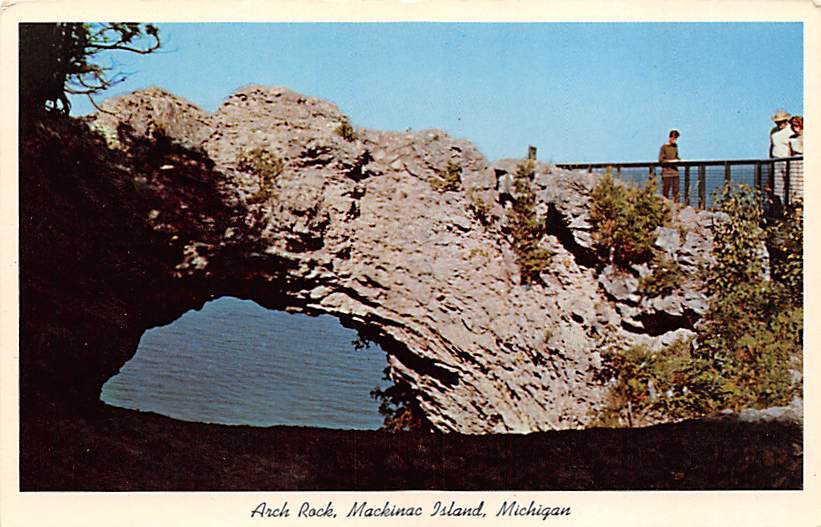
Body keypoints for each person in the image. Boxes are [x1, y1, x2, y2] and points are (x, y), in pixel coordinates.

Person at [769, 109, 792, 205]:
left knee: (790, 183)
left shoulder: (791, 130)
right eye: (777, 122)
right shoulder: (773, 131)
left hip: (787, 160)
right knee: (778, 185)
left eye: (781, 122)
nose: (779, 124)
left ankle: (791, 204)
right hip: (776, 159)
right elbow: (771, 145)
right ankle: (780, 205)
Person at [658, 129, 681, 201]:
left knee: (676, 190)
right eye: (674, 139)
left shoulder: (675, 146)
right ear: (670, 137)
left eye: (676, 139)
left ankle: (675, 205)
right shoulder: (664, 147)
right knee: (666, 190)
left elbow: (676, 156)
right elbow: (661, 160)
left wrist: (678, 160)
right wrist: (670, 161)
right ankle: (665, 205)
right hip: (666, 172)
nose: (675, 140)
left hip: (675, 172)